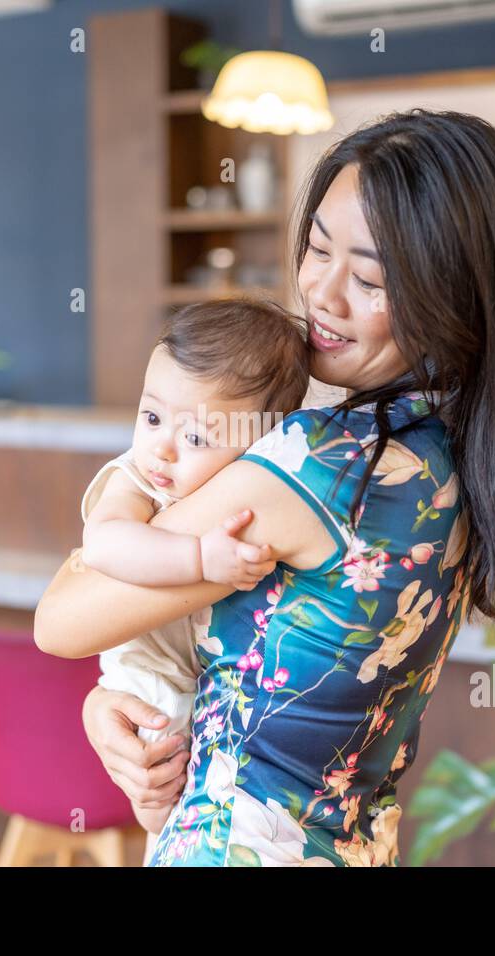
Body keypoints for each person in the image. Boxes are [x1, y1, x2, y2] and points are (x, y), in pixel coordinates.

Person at [36, 109, 495, 866]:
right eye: (318, 250)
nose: (321, 295)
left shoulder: (321, 465)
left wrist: (127, 490)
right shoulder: (455, 456)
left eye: (369, 278)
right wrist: (115, 704)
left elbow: (63, 620)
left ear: (453, 295)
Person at [76, 297, 309, 842]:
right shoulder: (134, 480)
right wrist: (201, 558)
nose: (162, 447)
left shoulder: (247, 493)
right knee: (161, 799)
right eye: (152, 416)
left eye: (197, 436)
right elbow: (104, 543)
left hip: (207, 682)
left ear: (257, 449)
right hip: (150, 674)